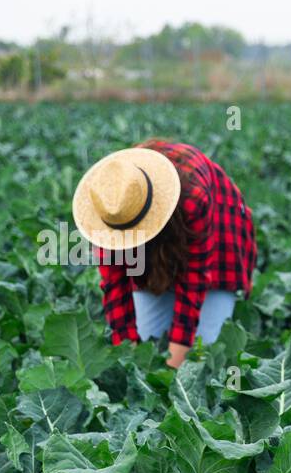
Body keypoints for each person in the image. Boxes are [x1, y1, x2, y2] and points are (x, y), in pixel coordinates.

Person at [72, 140, 256, 368]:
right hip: (154, 249)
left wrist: (176, 376)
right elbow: (115, 289)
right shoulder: (111, 208)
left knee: (204, 355)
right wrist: (133, 368)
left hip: (217, 233)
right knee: (149, 342)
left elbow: (193, 284)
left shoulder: (193, 198)